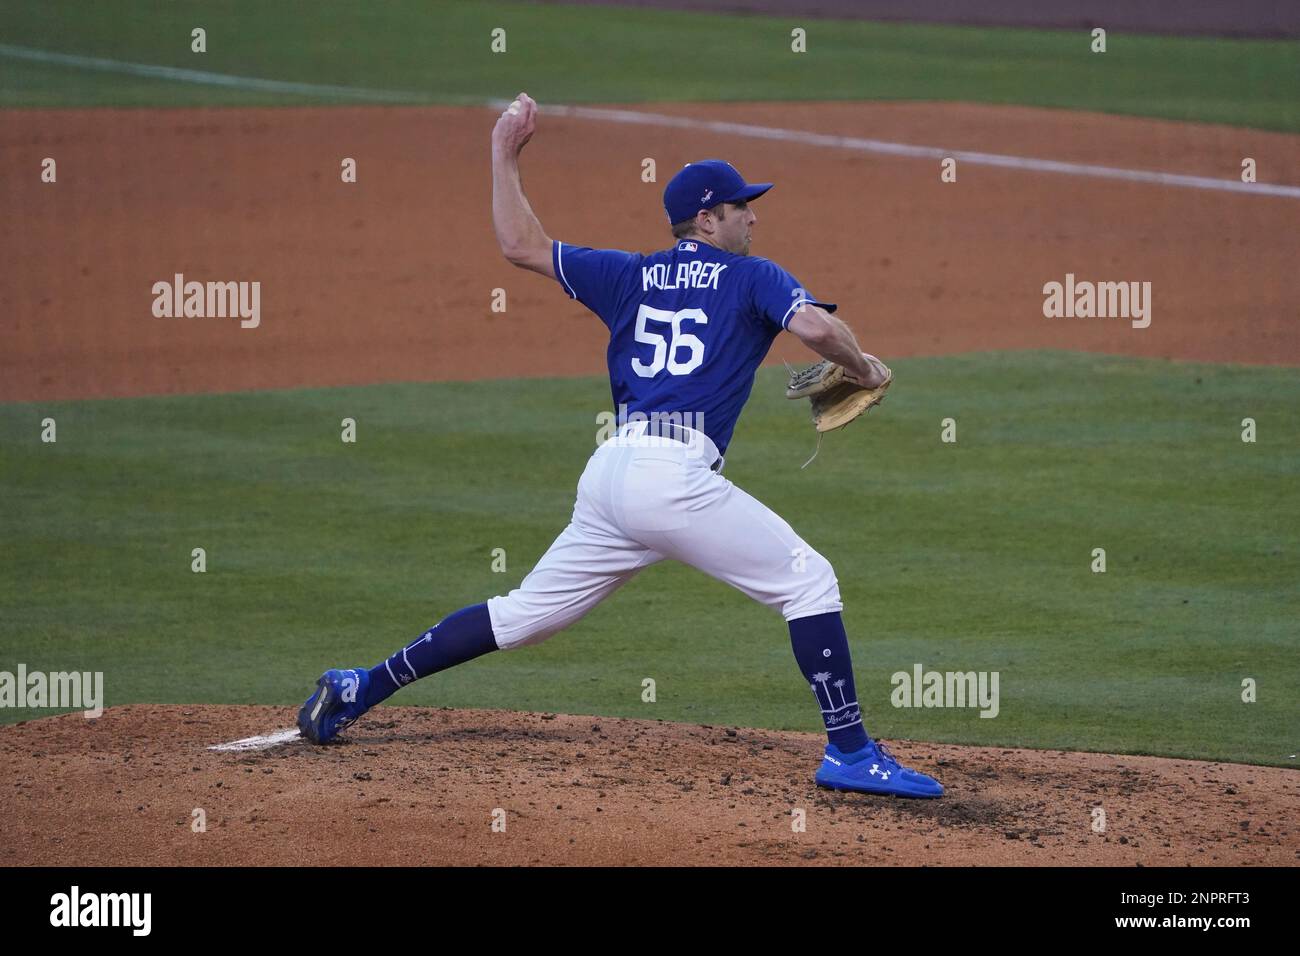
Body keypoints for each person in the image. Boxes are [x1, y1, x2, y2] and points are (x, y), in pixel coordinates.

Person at [297, 92, 943, 799]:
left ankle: (359, 686)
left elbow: (520, 246)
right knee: (808, 580)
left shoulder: (630, 273)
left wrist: (503, 154)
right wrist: (867, 367)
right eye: (740, 207)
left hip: (611, 471)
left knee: (522, 615)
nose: (753, 215)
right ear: (708, 217)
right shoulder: (754, 275)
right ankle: (850, 752)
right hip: (673, 478)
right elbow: (816, 331)